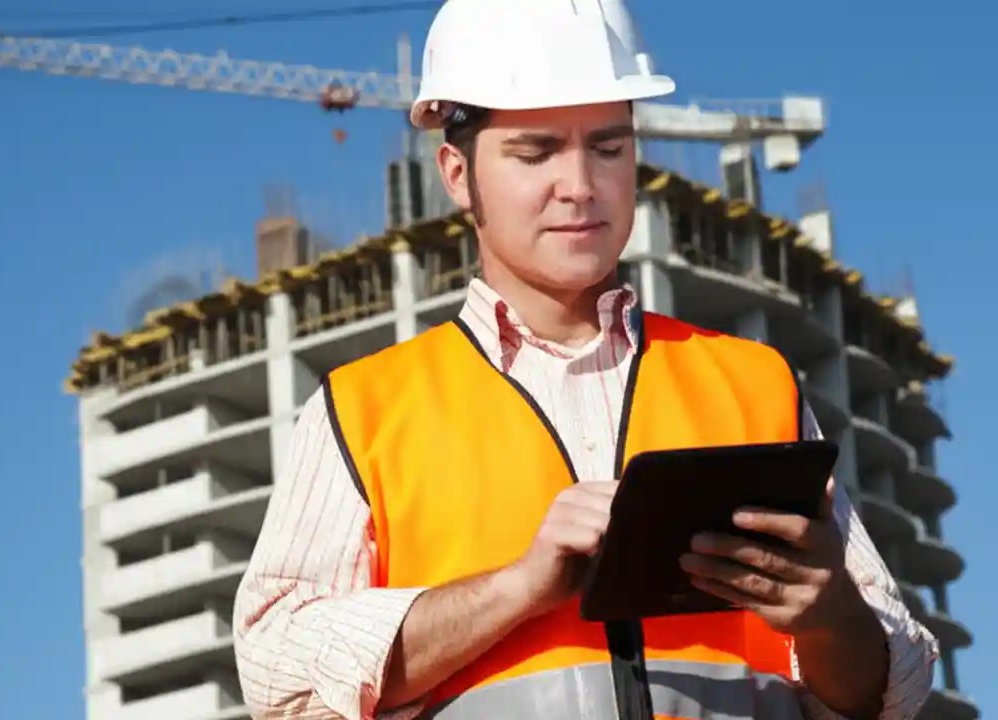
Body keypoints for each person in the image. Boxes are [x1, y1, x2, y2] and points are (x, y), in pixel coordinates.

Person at [231, 1, 938, 718]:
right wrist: (518, 587)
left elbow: (895, 687)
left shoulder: (755, 384)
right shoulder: (364, 411)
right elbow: (278, 678)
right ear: (456, 171)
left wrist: (827, 616)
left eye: (608, 147)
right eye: (535, 152)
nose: (580, 185)